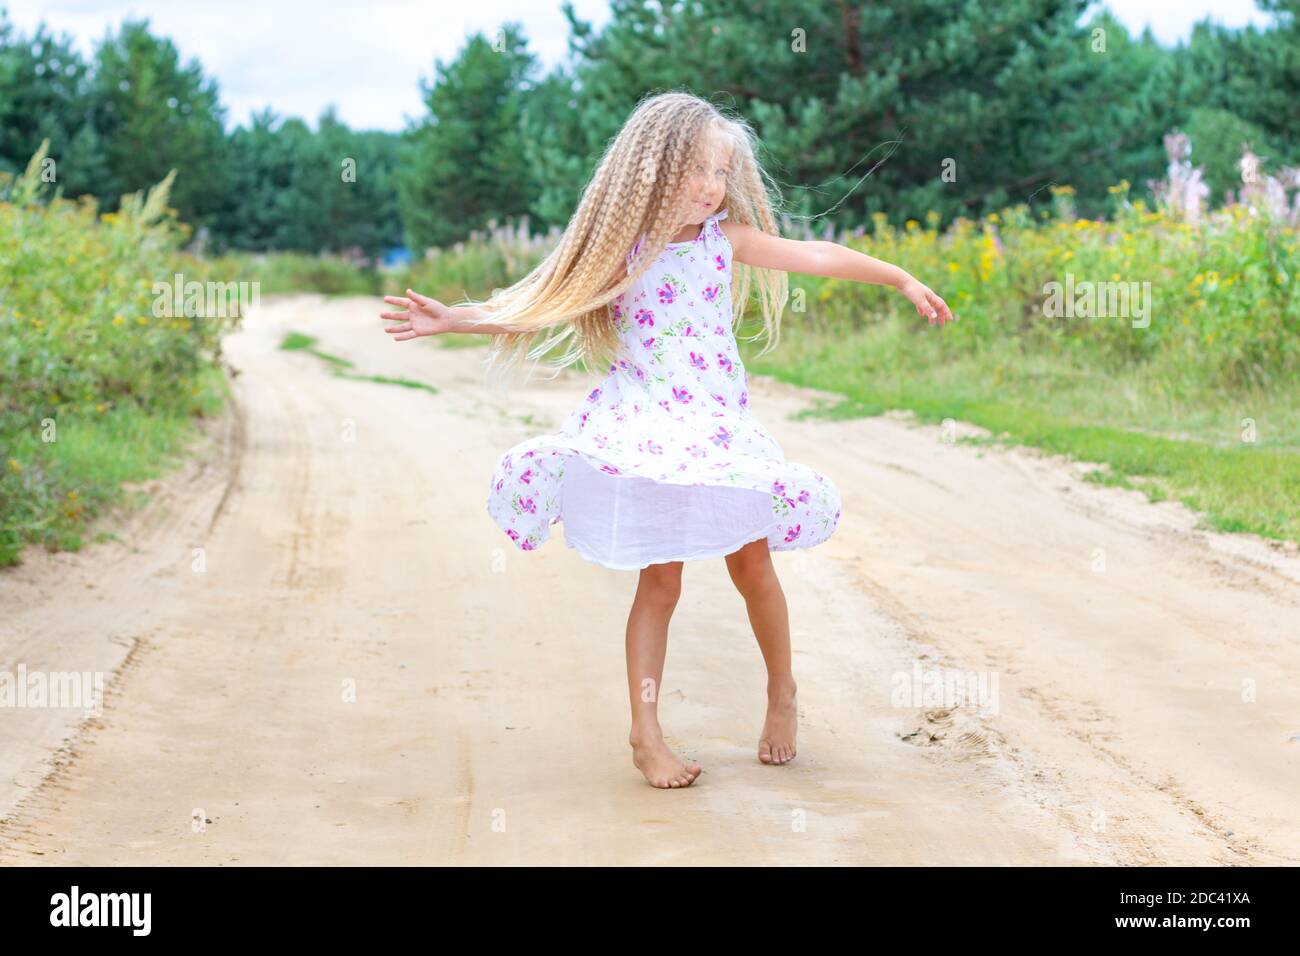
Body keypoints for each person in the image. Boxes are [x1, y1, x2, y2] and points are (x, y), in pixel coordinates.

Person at [380, 91, 954, 789]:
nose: (712, 187)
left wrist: (900, 277)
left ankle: (782, 693)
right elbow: (544, 305)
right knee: (660, 581)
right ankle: (645, 735)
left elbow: (814, 253)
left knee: (753, 566)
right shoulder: (621, 254)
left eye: (721, 173)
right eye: (697, 171)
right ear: (651, 171)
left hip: (717, 429)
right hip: (646, 429)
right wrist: (456, 319)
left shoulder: (724, 241)